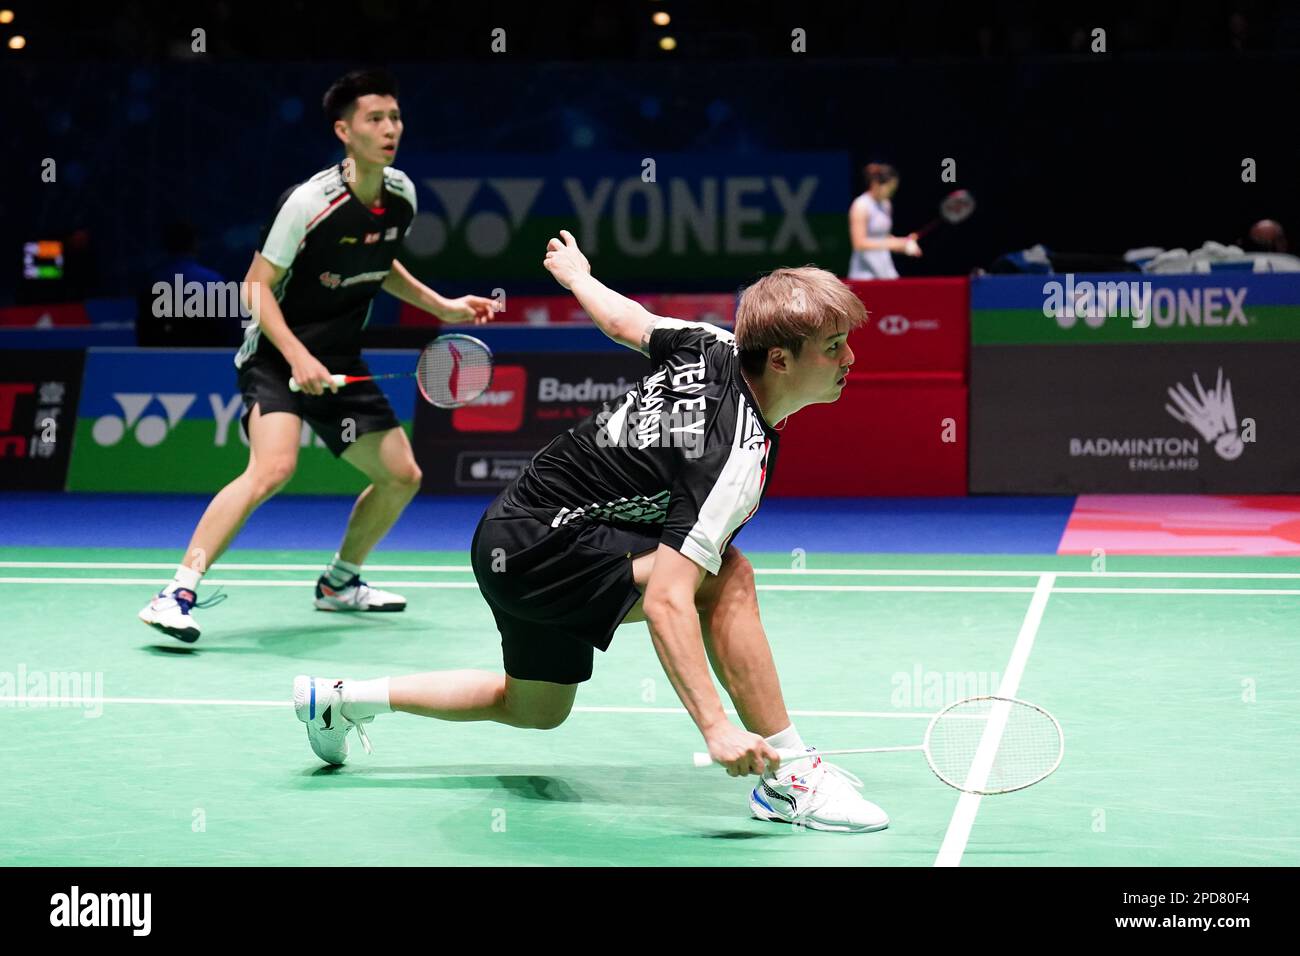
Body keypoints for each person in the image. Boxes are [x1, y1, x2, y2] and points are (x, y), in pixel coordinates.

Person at [291, 230, 891, 833]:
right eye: (833, 346)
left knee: (533, 709)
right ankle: (790, 775)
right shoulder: (730, 453)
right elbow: (667, 601)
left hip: (518, 529)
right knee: (726, 577)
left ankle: (341, 699)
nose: (849, 360)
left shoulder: (715, 344)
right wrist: (716, 726)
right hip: (540, 549)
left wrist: (578, 277)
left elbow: (625, 322)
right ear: (781, 360)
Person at [138, 68, 496, 643]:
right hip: (277, 359)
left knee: (402, 475)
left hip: (339, 360)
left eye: (395, 117)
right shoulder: (308, 202)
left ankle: (340, 582)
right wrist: (297, 356)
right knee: (272, 468)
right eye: (374, 119)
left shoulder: (400, 195)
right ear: (343, 130)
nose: (389, 129)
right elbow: (255, 288)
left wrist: (442, 307)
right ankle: (176, 591)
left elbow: (380, 265)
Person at [847, 162, 921, 279]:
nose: (891, 193)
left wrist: (903, 244)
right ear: (875, 184)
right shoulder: (861, 205)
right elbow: (859, 243)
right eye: (889, 189)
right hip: (865, 272)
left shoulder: (886, 204)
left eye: (893, 189)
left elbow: (884, 237)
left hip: (885, 268)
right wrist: (894, 243)